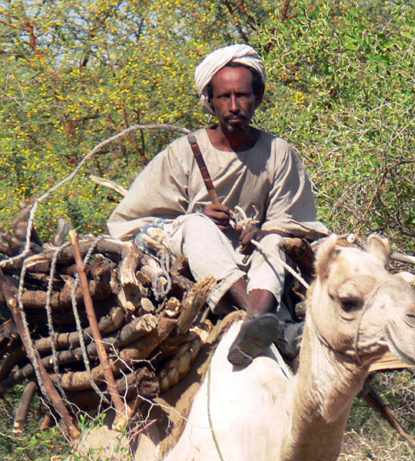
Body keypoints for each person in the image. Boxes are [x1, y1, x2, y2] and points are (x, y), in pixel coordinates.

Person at [106, 43, 327, 367]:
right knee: (197, 226)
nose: (234, 105)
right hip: (193, 256)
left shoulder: (278, 153)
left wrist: (263, 230)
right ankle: (274, 329)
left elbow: (293, 217)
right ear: (210, 101)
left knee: (274, 241)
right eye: (225, 97)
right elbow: (129, 224)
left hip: (251, 257)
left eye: (243, 95)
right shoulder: (183, 153)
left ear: (259, 98)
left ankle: (255, 323)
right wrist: (195, 216)